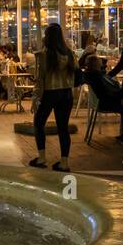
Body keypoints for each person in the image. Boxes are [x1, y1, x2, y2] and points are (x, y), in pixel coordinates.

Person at [29, 23, 77, 172]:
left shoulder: (43, 55)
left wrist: (35, 99)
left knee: (38, 123)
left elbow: (39, 79)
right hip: (66, 93)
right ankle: (64, 162)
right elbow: (74, 73)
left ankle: (42, 157)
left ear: (47, 36)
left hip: (49, 93)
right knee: (63, 127)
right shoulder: (69, 53)